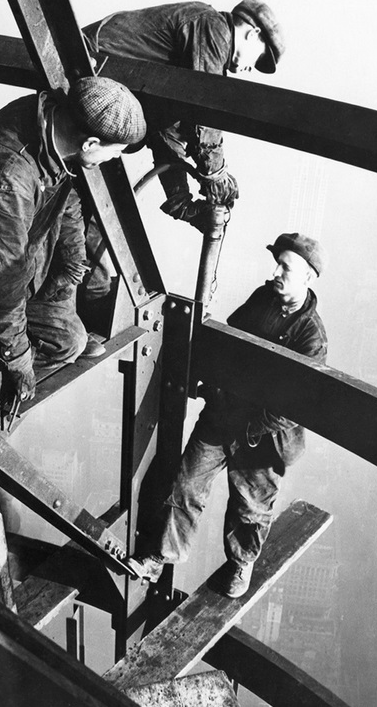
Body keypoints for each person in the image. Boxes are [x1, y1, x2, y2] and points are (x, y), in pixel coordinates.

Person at [0, 76, 147, 409]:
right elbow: (1, 282)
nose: (114, 159)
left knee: (71, 341)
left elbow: (67, 197)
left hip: (8, 271)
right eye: (115, 152)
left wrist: (72, 265)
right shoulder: (10, 178)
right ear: (90, 144)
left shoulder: (48, 122)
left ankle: (0, 374)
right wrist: (18, 357)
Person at [127, 233, 328, 598]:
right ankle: (161, 555)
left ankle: (240, 564)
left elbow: (293, 405)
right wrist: (216, 385)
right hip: (226, 414)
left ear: (308, 278)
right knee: (186, 484)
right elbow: (229, 339)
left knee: (250, 507)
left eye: (286, 267)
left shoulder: (312, 339)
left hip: (263, 437)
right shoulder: (262, 298)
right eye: (277, 263)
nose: (276, 272)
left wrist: (253, 426)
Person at [78, 0, 285, 311]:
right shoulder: (213, 26)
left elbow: (169, 132)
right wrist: (215, 173)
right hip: (90, 86)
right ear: (252, 33)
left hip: (99, 102)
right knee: (77, 216)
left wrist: (183, 202)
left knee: (83, 221)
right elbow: (202, 110)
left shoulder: (187, 58)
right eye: (257, 60)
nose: (249, 70)